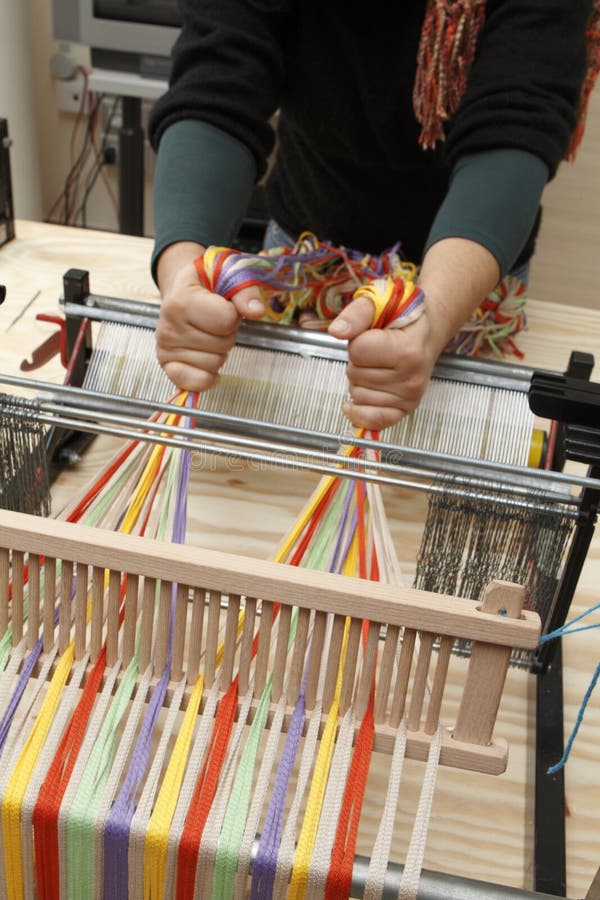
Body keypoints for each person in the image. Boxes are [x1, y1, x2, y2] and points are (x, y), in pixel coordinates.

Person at [148, 0, 597, 431]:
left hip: (467, 285)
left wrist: (434, 314)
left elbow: (517, 118)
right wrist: (185, 271)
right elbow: (217, 79)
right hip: (305, 264)